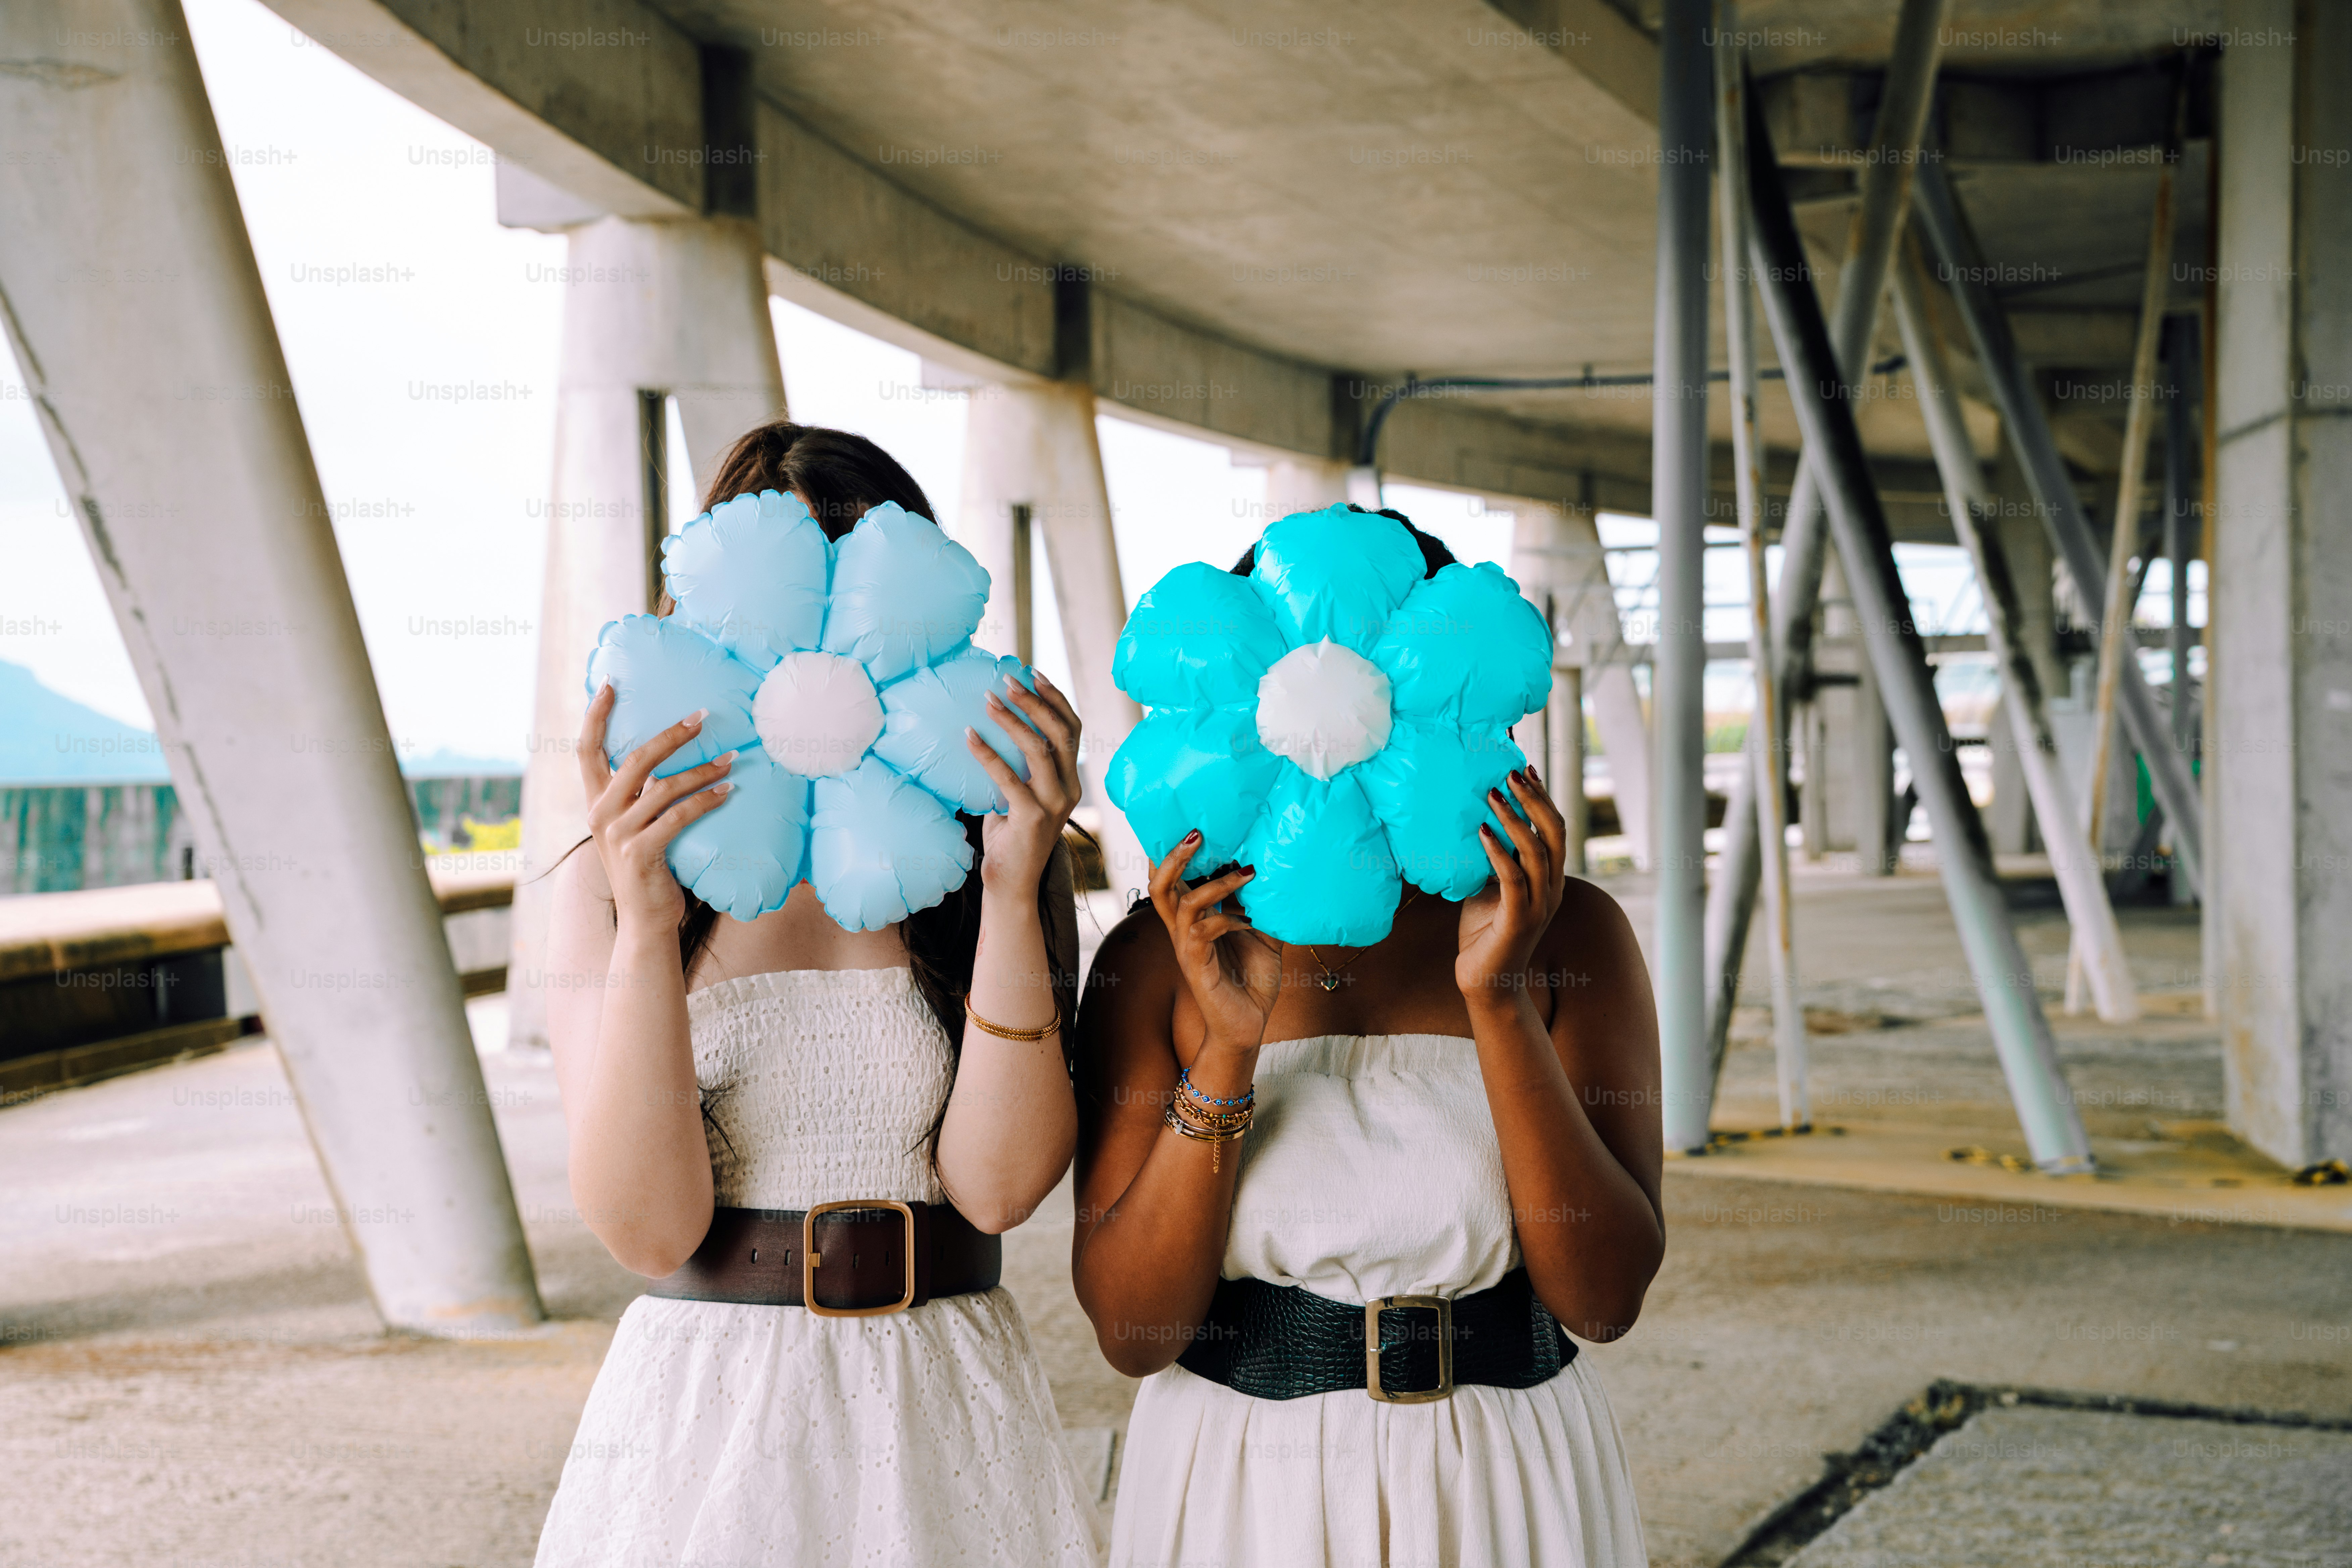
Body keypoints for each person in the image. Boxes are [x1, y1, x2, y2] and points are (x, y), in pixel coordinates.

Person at [533, 422, 1102, 1567]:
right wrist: (645, 930)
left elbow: (997, 1192)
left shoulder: (980, 853)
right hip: (709, 1407)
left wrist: (1009, 888)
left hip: (943, 1394)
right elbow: (646, 1229)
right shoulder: (625, 878)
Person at [1074, 512, 1661, 1567]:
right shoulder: (1159, 956)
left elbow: (1604, 1300)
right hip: (1242, 1481)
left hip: (1504, 1478)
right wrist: (1227, 1048)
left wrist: (1500, 1002)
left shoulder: (1572, 934)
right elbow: (1133, 1331)